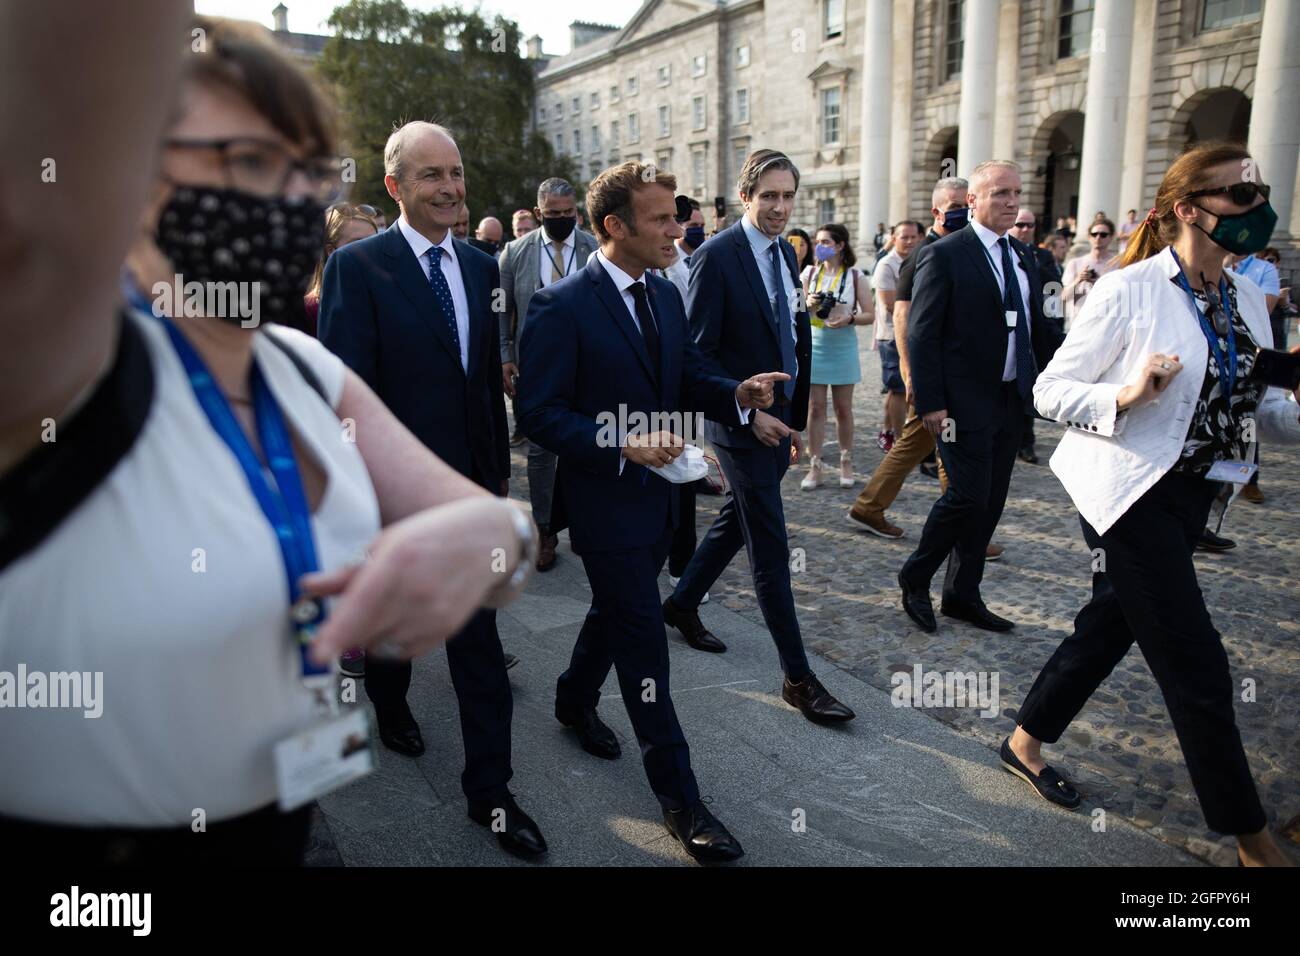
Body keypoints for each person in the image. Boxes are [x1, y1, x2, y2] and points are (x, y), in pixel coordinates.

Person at [1, 12, 534, 866]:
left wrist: (489, 536)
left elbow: (500, 528)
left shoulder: (297, 366)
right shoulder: (56, 363)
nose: (289, 200)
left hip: (288, 818)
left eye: (306, 169)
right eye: (248, 162)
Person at [1004, 141, 1298, 868]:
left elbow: (1259, 408)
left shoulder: (1249, 301)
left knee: (1110, 624)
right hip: (1125, 492)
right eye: (1239, 196)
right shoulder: (1129, 289)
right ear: (1188, 210)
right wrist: (1127, 395)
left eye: (1257, 194)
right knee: (1194, 658)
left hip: (1194, 496)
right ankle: (1252, 842)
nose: (1256, 210)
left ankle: (1022, 743)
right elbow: (1049, 392)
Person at [519, 161, 788, 862]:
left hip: (664, 498)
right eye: (664, 218)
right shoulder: (561, 305)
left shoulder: (667, 294)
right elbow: (541, 414)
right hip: (605, 504)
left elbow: (689, 373)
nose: (679, 228)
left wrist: (738, 393)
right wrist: (619, 441)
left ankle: (574, 698)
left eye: (679, 216)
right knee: (643, 641)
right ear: (615, 227)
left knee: (619, 609)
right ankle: (681, 799)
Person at [319, 121, 545, 860]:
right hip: (393, 495)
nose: (450, 188)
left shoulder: (484, 268)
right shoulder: (360, 268)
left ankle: (493, 793)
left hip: (472, 489)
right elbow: (347, 395)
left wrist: (497, 473)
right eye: (430, 176)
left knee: (478, 642)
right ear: (394, 186)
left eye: (455, 173)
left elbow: (484, 381)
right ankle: (389, 701)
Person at [661, 148, 856, 725]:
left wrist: (792, 419)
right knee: (769, 543)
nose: (778, 207)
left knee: (734, 523)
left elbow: (793, 339)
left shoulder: (785, 254)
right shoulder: (717, 256)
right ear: (746, 197)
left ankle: (680, 602)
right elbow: (695, 356)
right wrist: (747, 414)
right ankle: (798, 678)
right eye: (768, 195)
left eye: (787, 196)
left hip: (777, 422)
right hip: (738, 424)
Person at [900, 161, 1061, 634]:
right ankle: (915, 575)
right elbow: (923, 332)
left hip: (1011, 399)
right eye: (1000, 193)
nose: (1011, 202)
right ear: (972, 200)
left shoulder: (1024, 256)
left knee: (990, 502)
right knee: (965, 496)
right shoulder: (947, 254)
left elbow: (1041, 329)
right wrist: (929, 402)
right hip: (958, 403)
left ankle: (962, 594)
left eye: (1016, 193)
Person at [846, 178, 968, 539]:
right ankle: (869, 507)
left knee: (942, 447)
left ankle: (957, 526)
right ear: (938, 209)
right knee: (921, 443)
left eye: (968, 203)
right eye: (957, 204)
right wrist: (910, 371)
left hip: (945, 370)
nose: (965, 211)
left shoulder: (950, 248)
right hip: (931, 372)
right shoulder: (926, 252)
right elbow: (902, 314)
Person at [498, 177, 599, 572]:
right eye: (553, 215)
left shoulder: (594, 247)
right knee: (540, 451)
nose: (561, 221)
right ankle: (544, 528)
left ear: (578, 212)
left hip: (588, 364)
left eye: (568, 214)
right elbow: (500, 309)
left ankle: (585, 524)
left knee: (589, 443)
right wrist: (504, 355)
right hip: (535, 366)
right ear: (539, 213)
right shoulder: (514, 251)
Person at [799, 222, 872, 490]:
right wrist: (807, 304)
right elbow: (796, 311)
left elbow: (870, 314)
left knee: (843, 409)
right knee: (815, 408)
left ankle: (845, 461)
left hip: (843, 346)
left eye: (826, 242)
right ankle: (814, 465)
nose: (820, 247)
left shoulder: (855, 276)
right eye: (818, 241)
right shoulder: (808, 273)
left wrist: (849, 318)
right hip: (815, 344)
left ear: (841, 245)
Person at [1010, 210, 1065, 464]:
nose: (1024, 229)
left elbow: (1053, 291)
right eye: (1019, 224)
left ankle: (1026, 442)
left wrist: (1054, 324)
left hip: (1035, 332)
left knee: (1029, 387)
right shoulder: (1002, 252)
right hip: (1007, 332)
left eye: (1029, 225)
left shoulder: (1042, 256)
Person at [870, 220, 923, 455]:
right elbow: (891, 304)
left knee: (897, 389)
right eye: (904, 237)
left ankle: (888, 429)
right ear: (894, 238)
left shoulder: (921, 259)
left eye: (914, 236)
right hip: (892, 335)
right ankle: (900, 438)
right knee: (899, 388)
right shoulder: (887, 264)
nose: (910, 241)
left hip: (915, 332)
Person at [304, 202, 380, 337]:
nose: (370, 250)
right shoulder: (310, 310)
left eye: (375, 241)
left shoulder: (390, 300)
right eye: (358, 243)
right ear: (331, 250)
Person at [1062, 216, 1119, 325]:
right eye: (1094, 234)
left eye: (1103, 235)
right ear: (1089, 237)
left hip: (1107, 322)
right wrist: (1079, 279)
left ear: (1111, 237)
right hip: (1079, 323)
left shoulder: (1118, 264)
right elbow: (1064, 297)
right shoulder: (1075, 263)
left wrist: (1099, 282)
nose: (1098, 238)